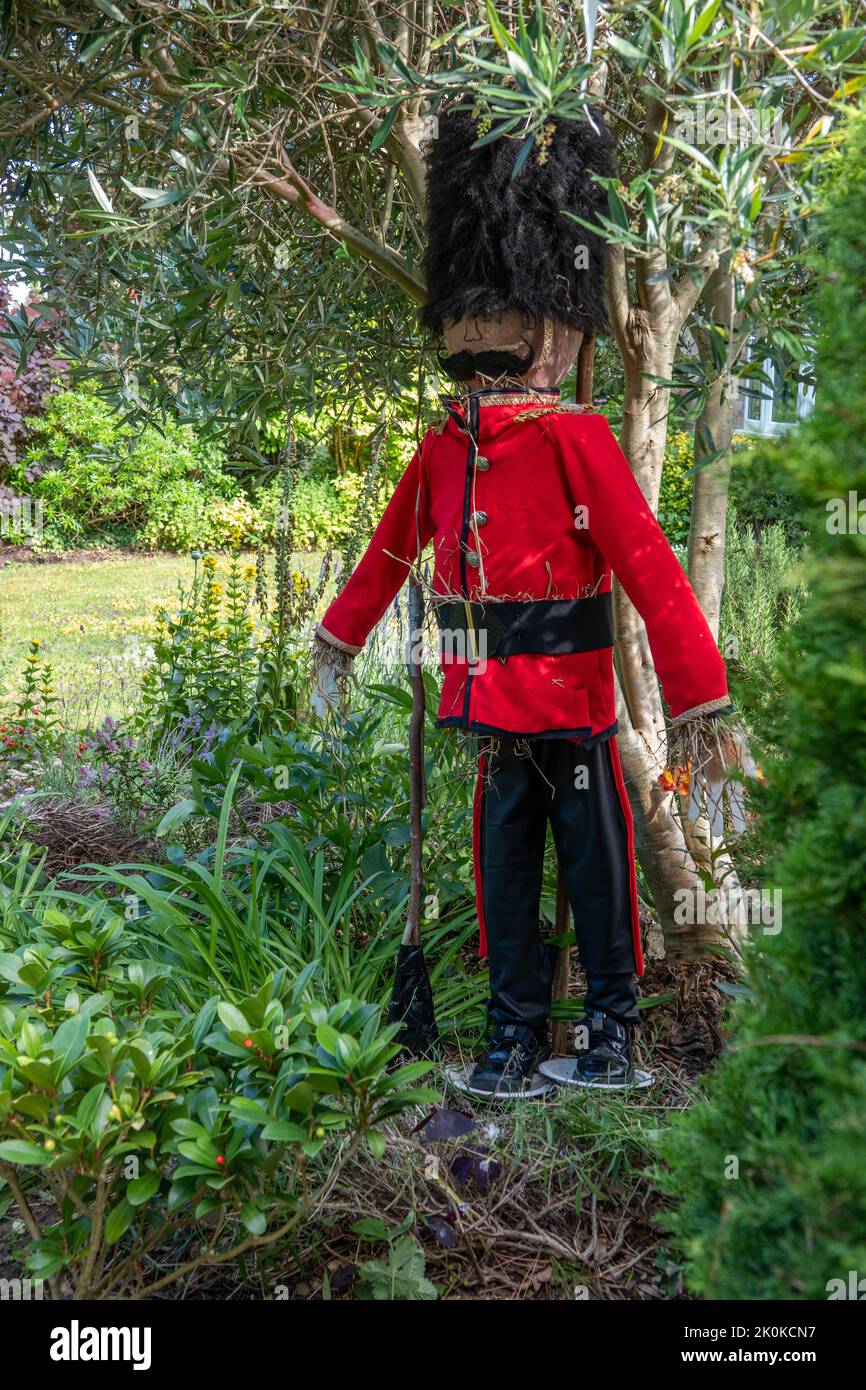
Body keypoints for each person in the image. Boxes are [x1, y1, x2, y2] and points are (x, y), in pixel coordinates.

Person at [313, 108, 736, 1095]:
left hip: (576, 711)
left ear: (542, 321)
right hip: (487, 717)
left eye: (495, 310)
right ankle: (508, 1038)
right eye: (465, 313)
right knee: (502, 881)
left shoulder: (576, 439)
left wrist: (697, 703)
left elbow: (649, 571)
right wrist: (340, 643)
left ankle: (608, 1034)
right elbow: (387, 555)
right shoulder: (440, 449)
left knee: (595, 875)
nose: (475, 330)